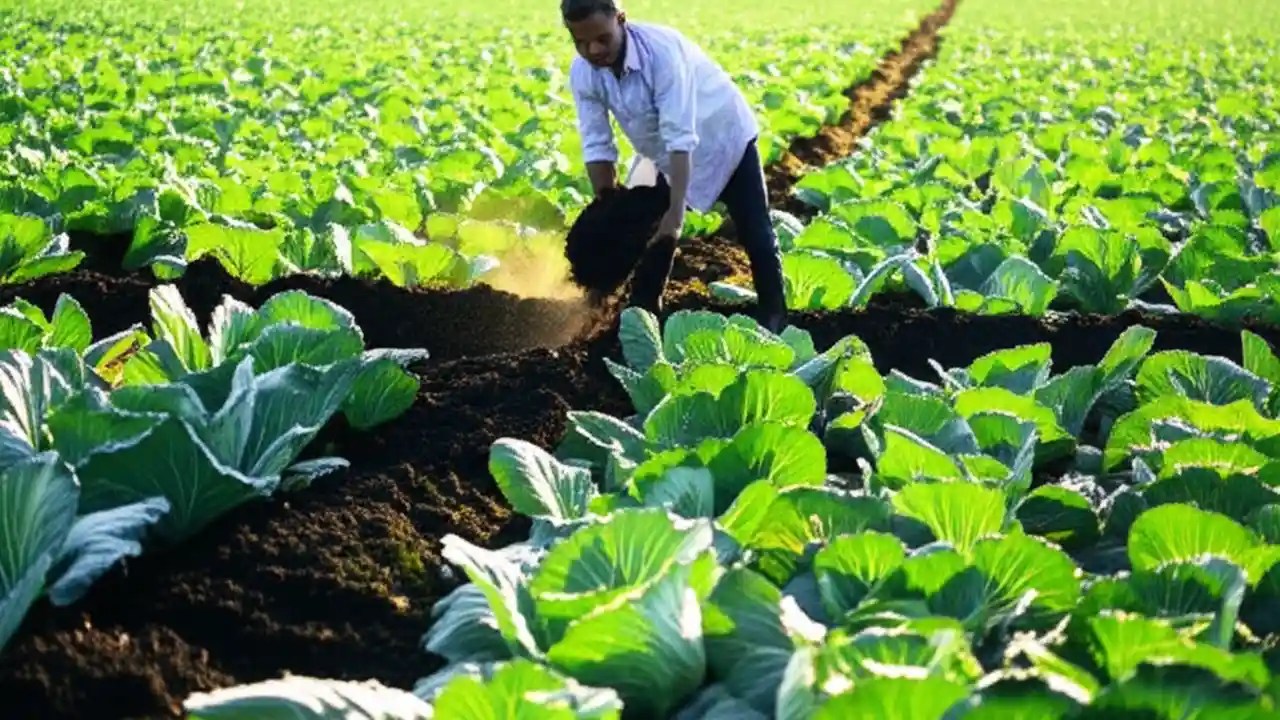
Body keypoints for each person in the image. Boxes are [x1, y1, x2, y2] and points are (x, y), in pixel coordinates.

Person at [561, 0, 788, 333]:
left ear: (621, 20)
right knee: (634, 226)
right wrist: (605, 209)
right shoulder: (584, 72)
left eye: (601, 39)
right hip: (656, 151)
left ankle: (774, 312)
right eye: (580, 42)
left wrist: (675, 215)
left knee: (753, 228)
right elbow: (597, 142)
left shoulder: (661, 53)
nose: (592, 49)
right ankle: (642, 308)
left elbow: (681, 138)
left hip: (722, 135)